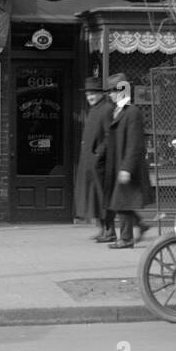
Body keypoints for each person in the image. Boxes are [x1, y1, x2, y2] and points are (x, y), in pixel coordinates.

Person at [105, 72, 154, 249]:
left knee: (121, 203)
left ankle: (126, 239)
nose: (110, 94)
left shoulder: (132, 112)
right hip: (118, 164)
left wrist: (126, 168)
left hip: (127, 166)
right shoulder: (117, 111)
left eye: (113, 91)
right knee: (120, 203)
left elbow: (135, 143)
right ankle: (138, 227)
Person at [72, 77, 114, 242]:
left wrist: (98, 154)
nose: (90, 96)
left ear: (100, 94)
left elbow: (109, 136)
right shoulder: (95, 109)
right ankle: (102, 229)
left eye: (93, 93)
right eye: (88, 93)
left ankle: (109, 232)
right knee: (94, 198)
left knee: (102, 197)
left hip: (100, 163)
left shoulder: (106, 109)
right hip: (90, 162)